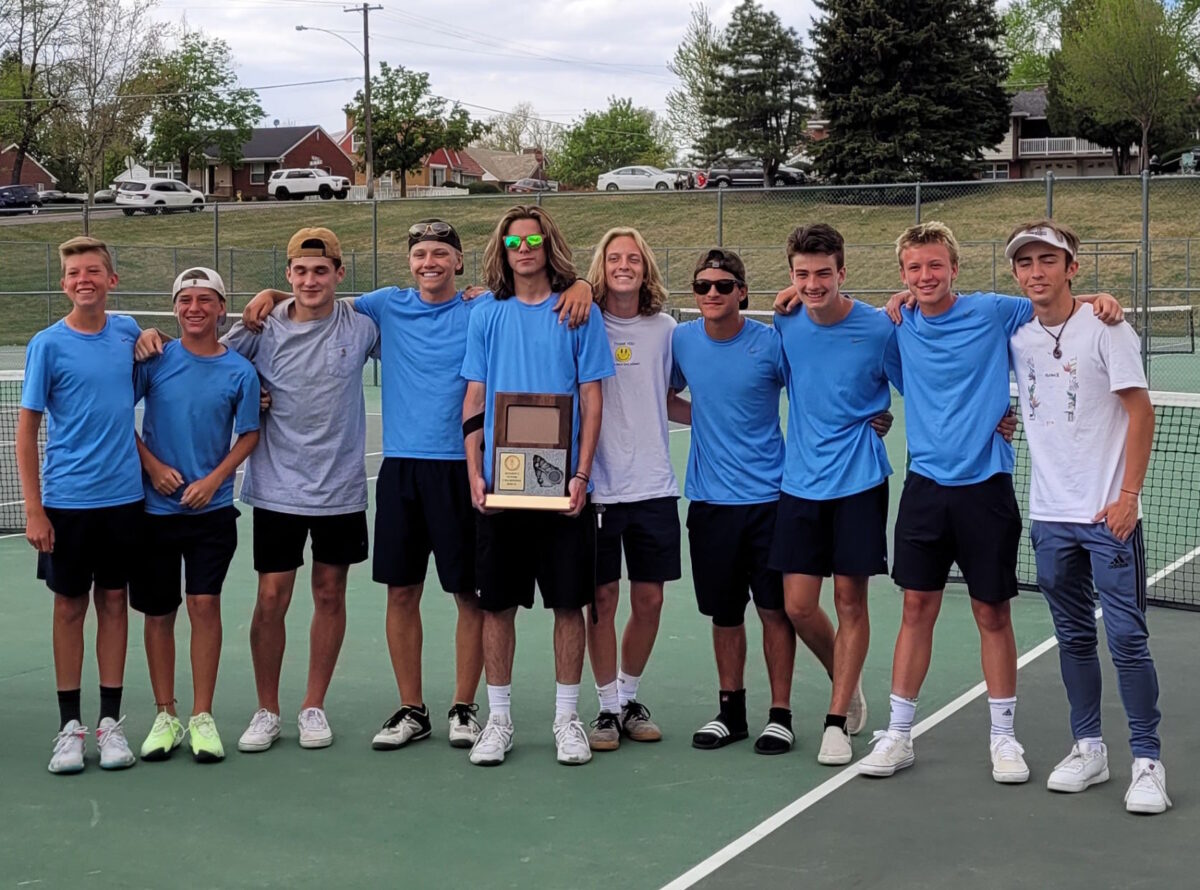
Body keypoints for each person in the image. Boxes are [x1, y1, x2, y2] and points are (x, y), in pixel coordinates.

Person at [239, 221, 592, 751]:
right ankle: (412, 708)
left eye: (440, 254)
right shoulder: (385, 306)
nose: (430, 263)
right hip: (401, 469)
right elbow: (317, 294)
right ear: (410, 263)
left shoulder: (482, 308)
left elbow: (537, 296)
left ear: (458, 262)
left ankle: (464, 707)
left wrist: (581, 283)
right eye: (420, 254)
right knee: (401, 591)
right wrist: (270, 294)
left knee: (469, 594)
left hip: (462, 469)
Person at [861, 221, 1122, 784]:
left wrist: (1100, 298)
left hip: (987, 489)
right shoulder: (896, 326)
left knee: (992, 613)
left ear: (955, 268)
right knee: (915, 610)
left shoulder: (994, 310)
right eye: (914, 268)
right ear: (902, 274)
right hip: (924, 489)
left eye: (935, 265)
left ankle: (1004, 739)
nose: (925, 276)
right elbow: (893, 375)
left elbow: (1055, 304)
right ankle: (898, 735)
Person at [191, 227, 379, 752]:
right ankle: (267, 709)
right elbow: (211, 364)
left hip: (340, 489)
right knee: (271, 597)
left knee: (330, 593)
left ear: (339, 274)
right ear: (289, 274)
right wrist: (248, 393)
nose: (310, 280)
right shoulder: (261, 325)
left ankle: (313, 706)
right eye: (300, 272)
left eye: (321, 271)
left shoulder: (362, 326)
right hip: (276, 488)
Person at [1004, 220, 1169, 814]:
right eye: (1026, 262)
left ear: (1072, 268)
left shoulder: (1108, 327)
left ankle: (1147, 762)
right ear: (1016, 272)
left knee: (1126, 639)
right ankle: (1089, 749)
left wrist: (1128, 496)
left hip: (1107, 516)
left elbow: (1141, 412)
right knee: (1073, 637)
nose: (1036, 272)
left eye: (1048, 260)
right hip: (1049, 518)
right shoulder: (1016, 336)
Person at [461, 205, 614, 766]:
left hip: (562, 488)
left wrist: (581, 475)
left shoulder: (578, 312)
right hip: (501, 488)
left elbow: (592, 400)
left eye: (532, 240)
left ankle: (566, 719)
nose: (523, 249)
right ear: (502, 251)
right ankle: (498, 721)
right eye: (513, 242)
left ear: (549, 246)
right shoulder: (486, 314)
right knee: (496, 607)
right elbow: (476, 396)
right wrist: (474, 470)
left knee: (569, 605)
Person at [769, 224, 901, 765]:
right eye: (802, 274)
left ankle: (836, 719)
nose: (813, 284)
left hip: (859, 482)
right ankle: (845, 677)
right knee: (798, 607)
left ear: (843, 272)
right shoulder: (785, 322)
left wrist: (997, 419)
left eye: (823, 273)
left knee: (849, 600)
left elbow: (923, 383)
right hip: (800, 483)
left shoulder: (879, 328)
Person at [17, 236, 142, 773]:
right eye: (73, 273)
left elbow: (159, 362)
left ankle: (110, 724)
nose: (82, 280)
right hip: (66, 502)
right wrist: (34, 508)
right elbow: (26, 432)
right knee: (69, 607)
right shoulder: (47, 344)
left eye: (92, 271)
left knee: (114, 602)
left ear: (111, 280)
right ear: (64, 283)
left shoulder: (128, 331)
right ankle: (70, 728)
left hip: (124, 500)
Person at [671, 248, 800, 756]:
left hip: (770, 501)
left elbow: (812, 392)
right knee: (725, 614)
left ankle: (780, 715)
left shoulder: (770, 343)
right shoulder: (682, 340)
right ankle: (732, 713)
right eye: (702, 286)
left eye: (723, 286)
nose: (712, 293)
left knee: (774, 610)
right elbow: (663, 394)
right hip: (709, 504)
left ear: (742, 292)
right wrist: (704, 418)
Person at [132, 267, 260, 763]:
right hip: (155, 511)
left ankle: (202, 717)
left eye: (205, 300)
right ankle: (166, 715)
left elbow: (249, 433)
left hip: (212, 511)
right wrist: (152, 466)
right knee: (160, 613)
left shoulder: (240, 372)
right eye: (185, 301)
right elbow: (118, 415)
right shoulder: (154, 361)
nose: (194, 309)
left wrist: (214, 480)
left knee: (205, 606)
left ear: (221, 308)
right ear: (175, 309)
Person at [583, 227, 690, 750]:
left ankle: (627, 698)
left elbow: (670, 398)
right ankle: (605, 708)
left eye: (633, 258)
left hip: (653, 487)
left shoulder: (666, 329)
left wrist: (723, 420)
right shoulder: (580, 322)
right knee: (601, 600)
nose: (623, 266)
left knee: (649, 600)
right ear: (600, 268)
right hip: (596, 490)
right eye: (613, 258)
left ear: (645, 268)